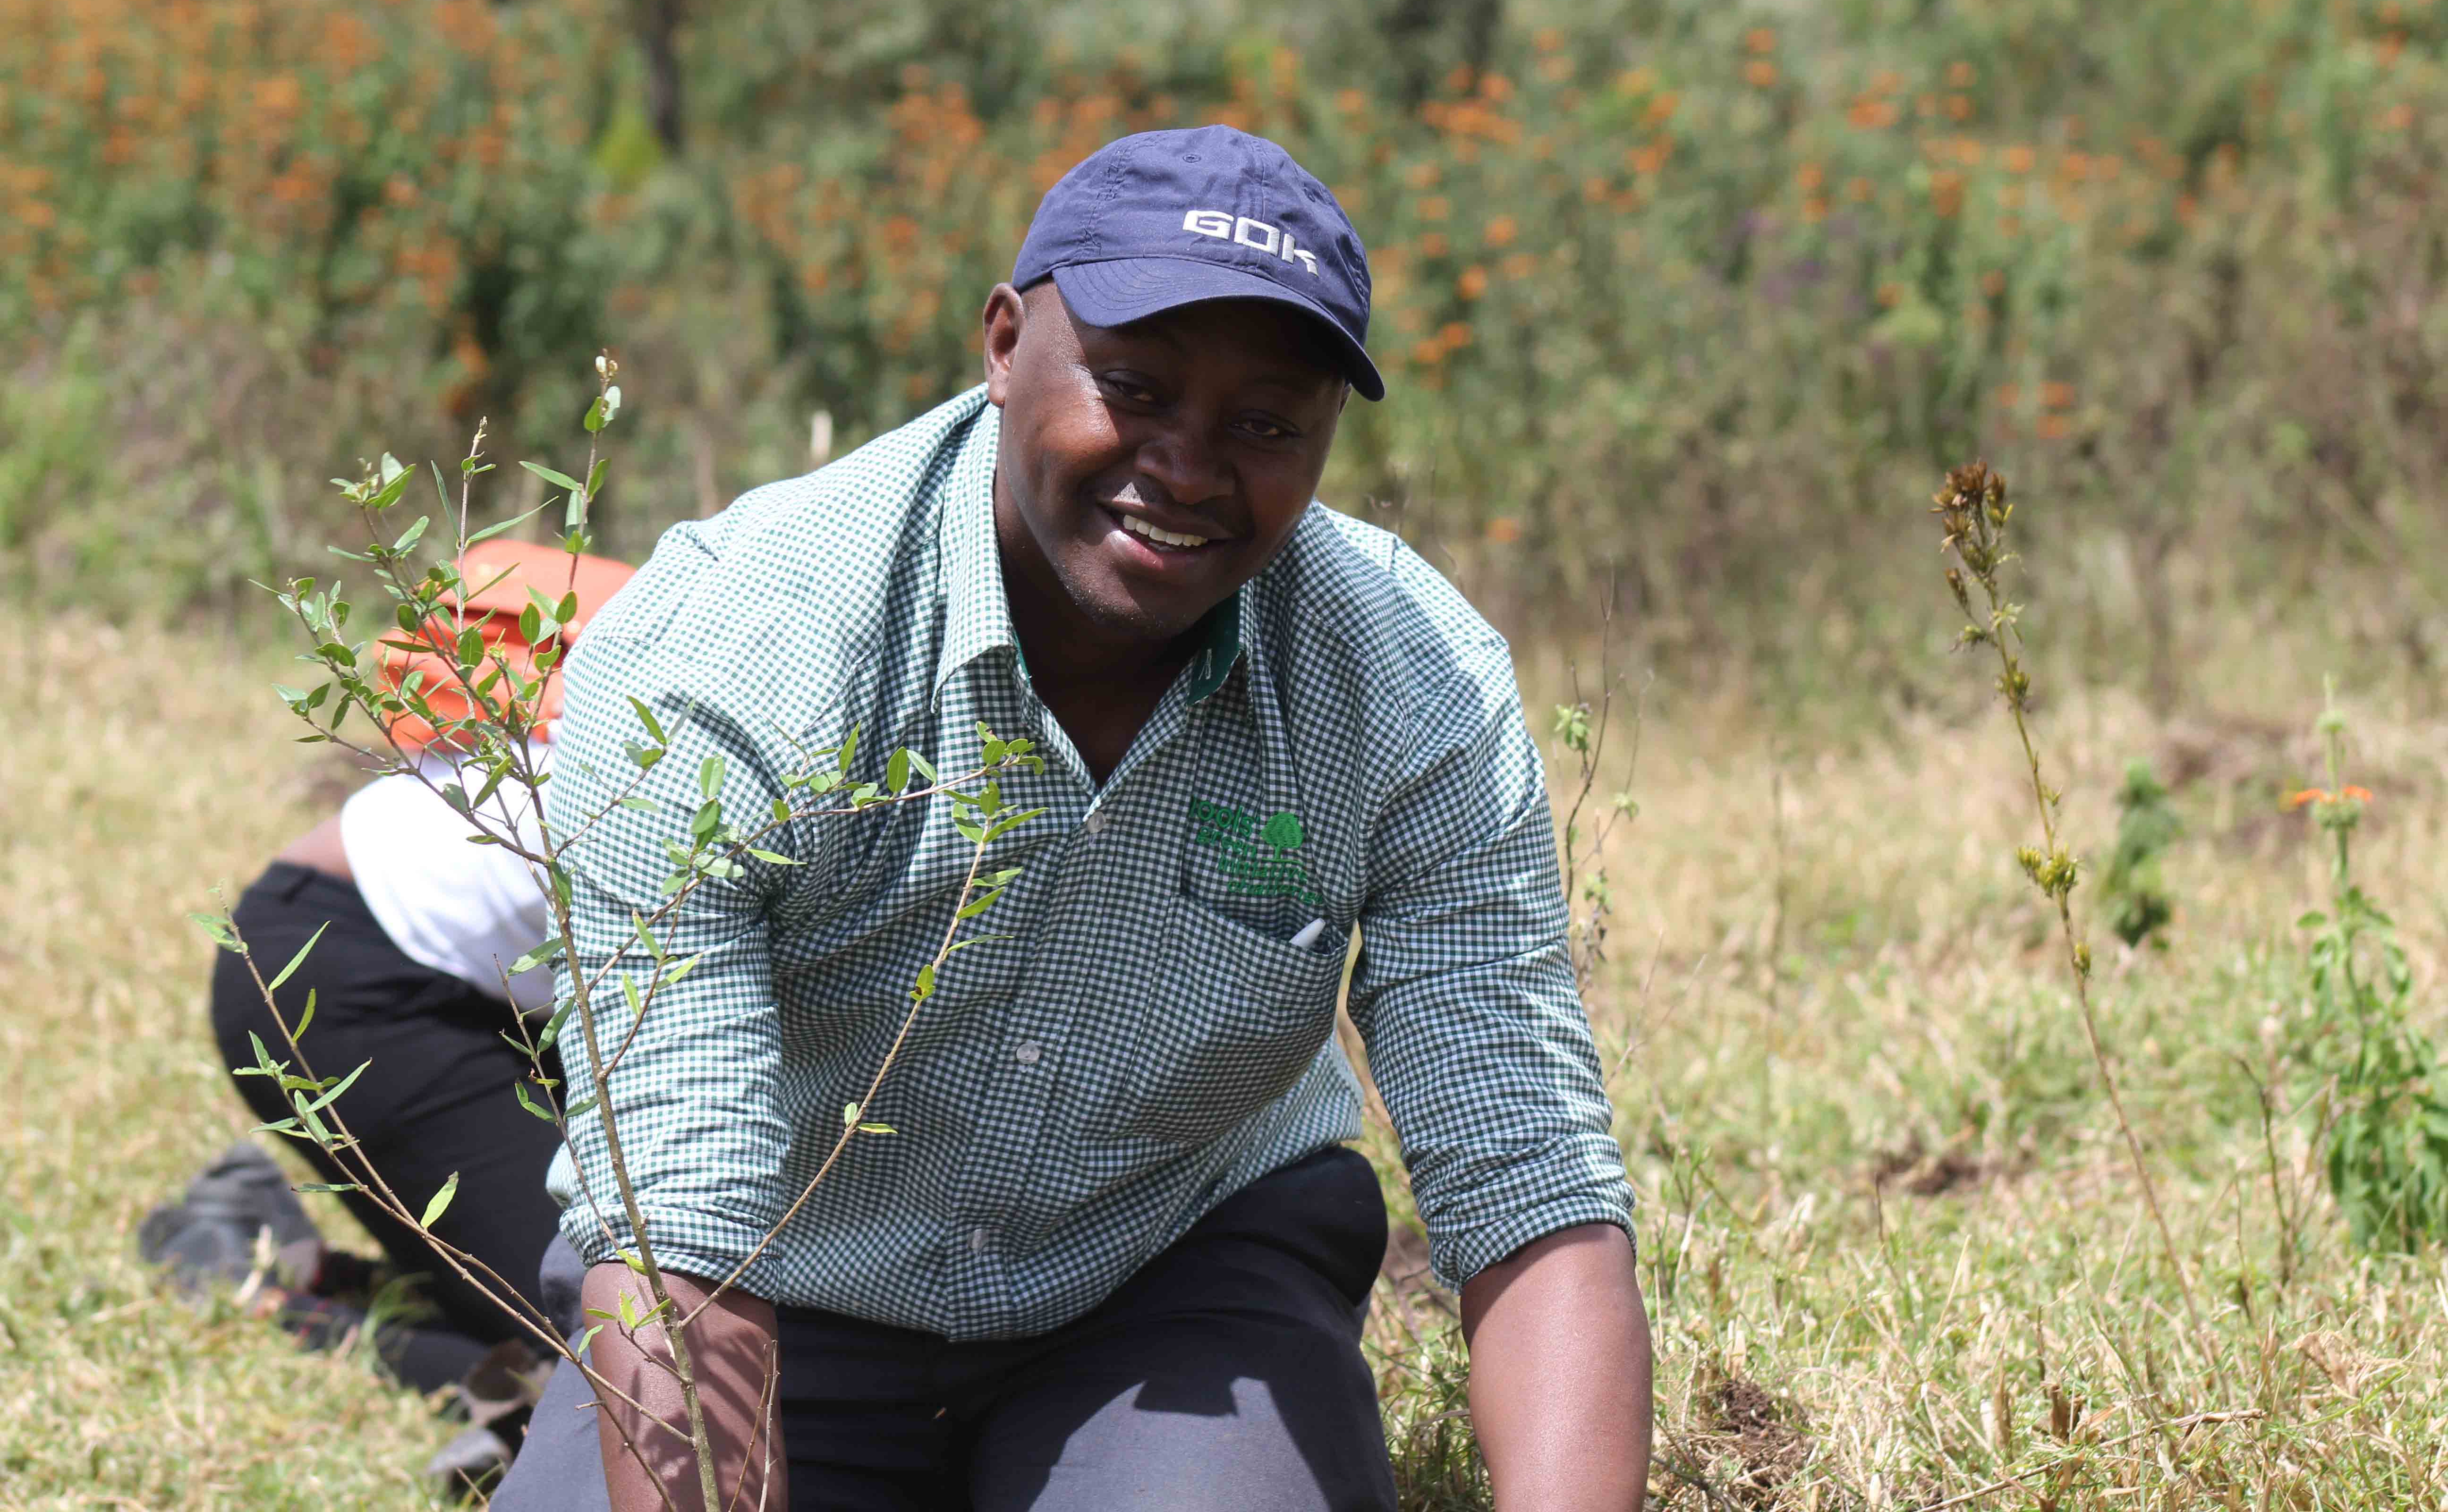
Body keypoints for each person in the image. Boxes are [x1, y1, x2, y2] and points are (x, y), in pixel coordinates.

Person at [495, 126, 1653, 1512]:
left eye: (1266, 425)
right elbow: (681, 1216)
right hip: (780, 1290)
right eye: (1135, 388)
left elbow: (1528, 1175)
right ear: (1003, 346)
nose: (1188, 468)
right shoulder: (739, 649)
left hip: (1174, 1290)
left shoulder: (1409, 682)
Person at [142, 539, 635, 1488]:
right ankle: (262, 1282)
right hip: (338, 974)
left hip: (522, 993)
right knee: (619, 1340)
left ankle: (339, 1253)